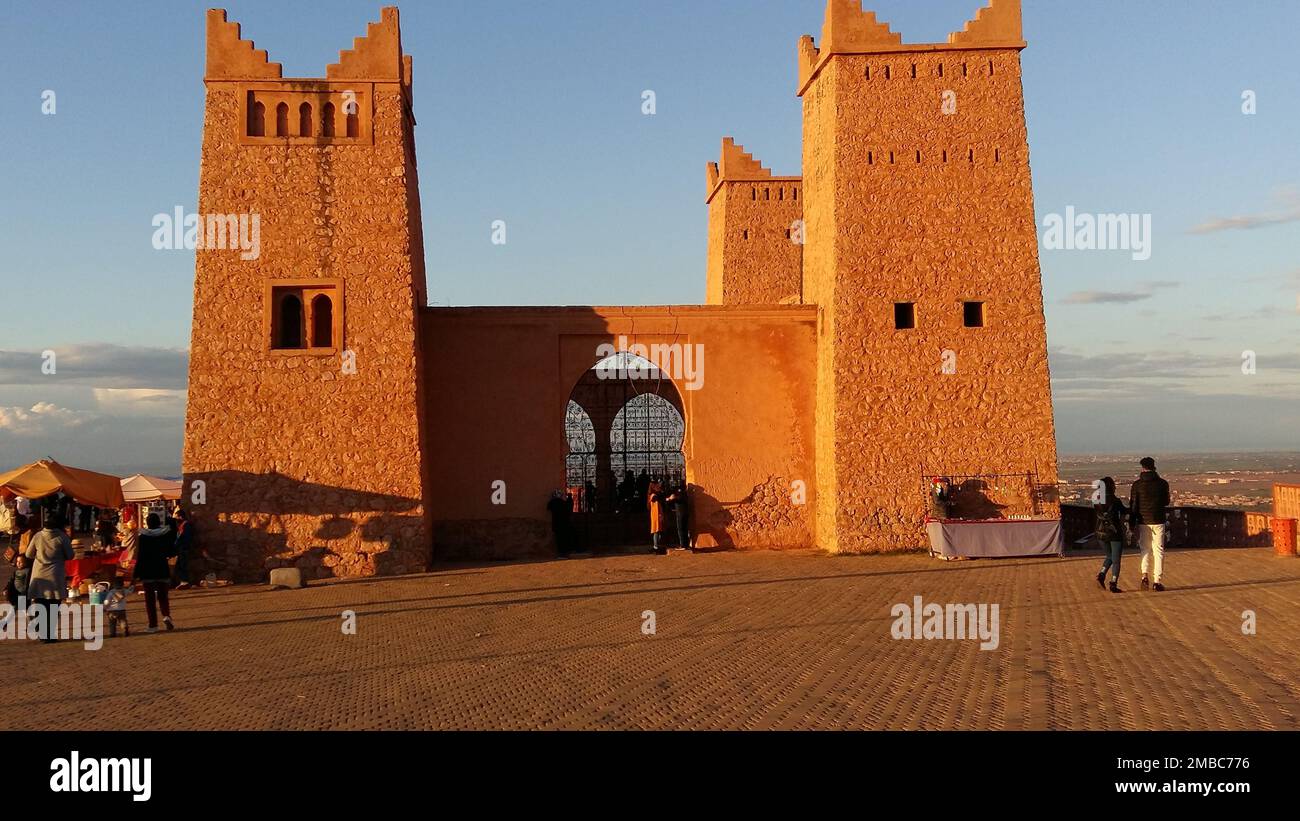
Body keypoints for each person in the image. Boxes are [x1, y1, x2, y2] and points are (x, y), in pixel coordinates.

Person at [24, 511, 74, 642]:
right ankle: (48, 635)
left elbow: (28, 554)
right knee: (53, 606)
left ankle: (41, 630)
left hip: (39, 575)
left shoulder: (38, 536)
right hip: (55, 575)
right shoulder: (62, 537)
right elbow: (70, 555)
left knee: (40, 604)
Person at [1129, 456, 1171, 592]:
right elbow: (1166, 502)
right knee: (1158, 550)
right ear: (1154, 467)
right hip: (1158, 520)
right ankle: (1157, 581)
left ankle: (1144, 576)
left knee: (1145, 549)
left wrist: (1131, 522)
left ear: (1142, 468)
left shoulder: (1137, 485)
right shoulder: (1163, 484)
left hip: (1143, 521)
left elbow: (1133, 505)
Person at [135, 513, 177, 632]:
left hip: (147, 570)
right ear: (159, 522)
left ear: (148, 523)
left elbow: (140, 556)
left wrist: (137, 573)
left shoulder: (143, 537)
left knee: (150, 599)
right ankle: (166, 615)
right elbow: (171, 552)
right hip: (161, 568)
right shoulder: (165, 535)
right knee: (163, 596)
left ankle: (153, 625)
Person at [1093, 477, 1127, 593]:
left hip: (1100, 532)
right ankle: (1113, 583)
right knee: (1116, 560)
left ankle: (1101, 575)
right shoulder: (1115, 501)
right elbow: (1124, 511)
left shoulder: (1096, 500)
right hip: (1114, 532)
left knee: (1109, 556)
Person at [172, 508, 196, 589]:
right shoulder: (183, 525)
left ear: (180, 517)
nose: (176, 519)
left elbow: (184, 537)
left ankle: (184, 582)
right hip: (182, 548)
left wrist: (178, 544)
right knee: (179, 566)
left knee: (182, 565)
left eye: (177, 517)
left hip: (184, 548)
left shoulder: (186, 525)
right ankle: (182, 581)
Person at [104, 573, 132, 638]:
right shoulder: (124, 591)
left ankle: (113, 633)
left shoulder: (111, 592)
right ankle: (125, 628)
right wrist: (131, 587)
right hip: (122, 610)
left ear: (113, 584)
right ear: (122, 584)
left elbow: (107, 601)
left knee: (112, 623)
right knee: (123, 621)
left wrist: (105, 607)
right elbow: (130, 592)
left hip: (112, 611)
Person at [546, 491, 573, 558]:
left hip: (557, 524)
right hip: (565, 524)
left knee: (559, 540)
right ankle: (565, 553)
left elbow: (548, 508)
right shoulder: (564, 503)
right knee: (565, 539)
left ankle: (561, 553)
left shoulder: (552, 503)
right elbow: (569, 509)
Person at [666, 484, 692, 552]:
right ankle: (686, 545)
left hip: (680, 515)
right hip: (685, 514)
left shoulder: (679, 495)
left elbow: (672, 500)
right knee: (685, 529)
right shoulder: (686, 494)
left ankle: (683, 545)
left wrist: (669, 499)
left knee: (680, 530)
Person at [116, 507, 139, 580]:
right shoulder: (133, 528)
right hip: (132, 548)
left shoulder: (128, 528)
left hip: (127, 548)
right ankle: (131, 577)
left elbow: (120, 537)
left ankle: (128, 577)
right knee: (130, 563)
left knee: (127, 564)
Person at [648, 482, 668, 555]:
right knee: (656, 530)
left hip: (657, 514)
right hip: (656, 515)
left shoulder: (654, 495)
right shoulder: (654, 495)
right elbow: (655, 502)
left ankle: (656, 546)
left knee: (658, 530)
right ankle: (656, 547)